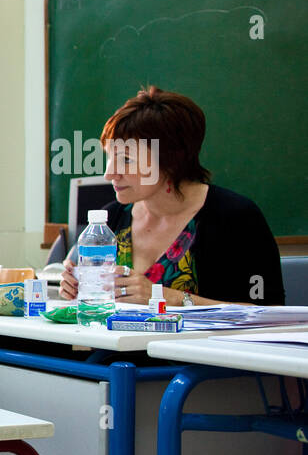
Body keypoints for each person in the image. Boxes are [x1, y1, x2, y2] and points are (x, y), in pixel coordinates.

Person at [60, 87, 284, 306]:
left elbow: (267, 310)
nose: (109, 173)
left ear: (170, 161)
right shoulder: (111, 219)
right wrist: (77, 287)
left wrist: (170, 298)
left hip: (198, 345)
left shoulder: (236, 217)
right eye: (109, 158)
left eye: (126, 159)